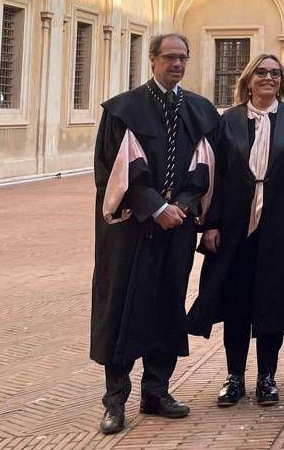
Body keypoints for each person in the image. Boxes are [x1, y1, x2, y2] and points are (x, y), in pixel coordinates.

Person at [90, 33, 219, 435]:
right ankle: (115, 401)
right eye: (169, 58)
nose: (177, 64)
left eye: (183, 58)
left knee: (167, 306)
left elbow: (205, 167)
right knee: (122, 308)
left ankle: (156, 391)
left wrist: (182, 205)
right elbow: (115, 170)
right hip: (130, 231)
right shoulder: (124, 111)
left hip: (176, 229)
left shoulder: (198, 110)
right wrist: (157, 208)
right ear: (152, 60)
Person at [187, 53, 284, 408]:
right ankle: (234, 377)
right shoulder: (229, 121)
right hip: (236, 227)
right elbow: (215, 176)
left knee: (272, 301)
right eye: (261, 73)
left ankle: (267, 377)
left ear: (281, 80)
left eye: (275, 73)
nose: (268, 78)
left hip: (280, 226)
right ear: (249, 79)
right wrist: (212, 224)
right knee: (236, 302)